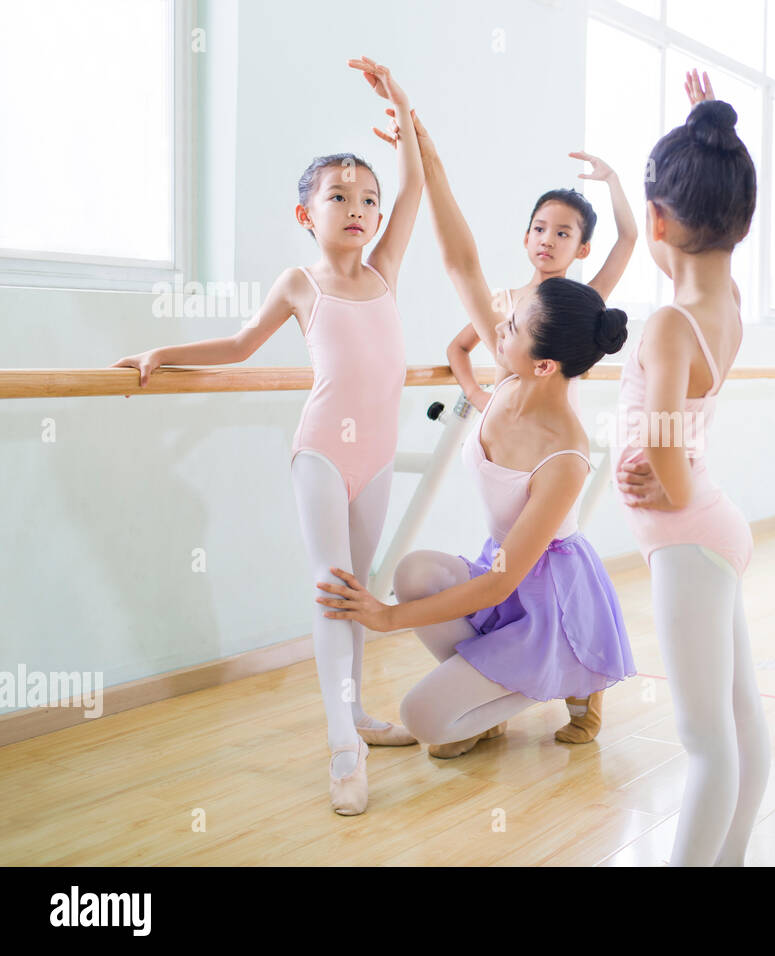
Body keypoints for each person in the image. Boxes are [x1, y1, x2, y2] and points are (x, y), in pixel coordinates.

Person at [112, 57, 425, 815]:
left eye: (368, 199)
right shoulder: (300, 282)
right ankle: (341, 748)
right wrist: (165, 351)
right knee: (330, 592)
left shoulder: (385, 270)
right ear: (306, 215)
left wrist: (403, 110)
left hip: (377, 455)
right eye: (338, 196)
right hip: (322, 450)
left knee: (358, 592)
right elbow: (241, 344)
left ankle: (356, 712)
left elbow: (417, 188)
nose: (358, 207)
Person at [317, 108, 636, 811]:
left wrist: (384, 619)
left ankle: (562, 677)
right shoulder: (510, 375)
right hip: (504, 574)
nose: (501, 326)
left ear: (547, 362)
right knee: (414, 572)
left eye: (514, 327)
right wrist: (423, 144)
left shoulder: (565, 458)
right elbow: (459, 258)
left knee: (426, 721)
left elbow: (497, 584)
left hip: (547, 599)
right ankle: (491, 694)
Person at [612, 70, 769, 865]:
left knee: (706, 742)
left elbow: (668, 444)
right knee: (739, 726)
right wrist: (705, 132)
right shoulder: (727, 299)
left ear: (657, 220)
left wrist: (655, 476)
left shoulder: (672, 323)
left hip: (686, 536)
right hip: (709, 531)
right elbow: (708, 218)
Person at [441, 162, 637, 746]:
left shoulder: (580, 303)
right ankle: (493, 695)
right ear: (525, 236)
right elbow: (458, 346)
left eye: (564, 233)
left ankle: (584, 688)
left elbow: (629, 242)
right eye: (540, 228)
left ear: (580, 249)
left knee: (556, 564)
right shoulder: (502, 303)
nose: (548, 240)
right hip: (509, 442)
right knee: (508, 569)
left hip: (554, 451)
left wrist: (614, 181)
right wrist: (482, 395)